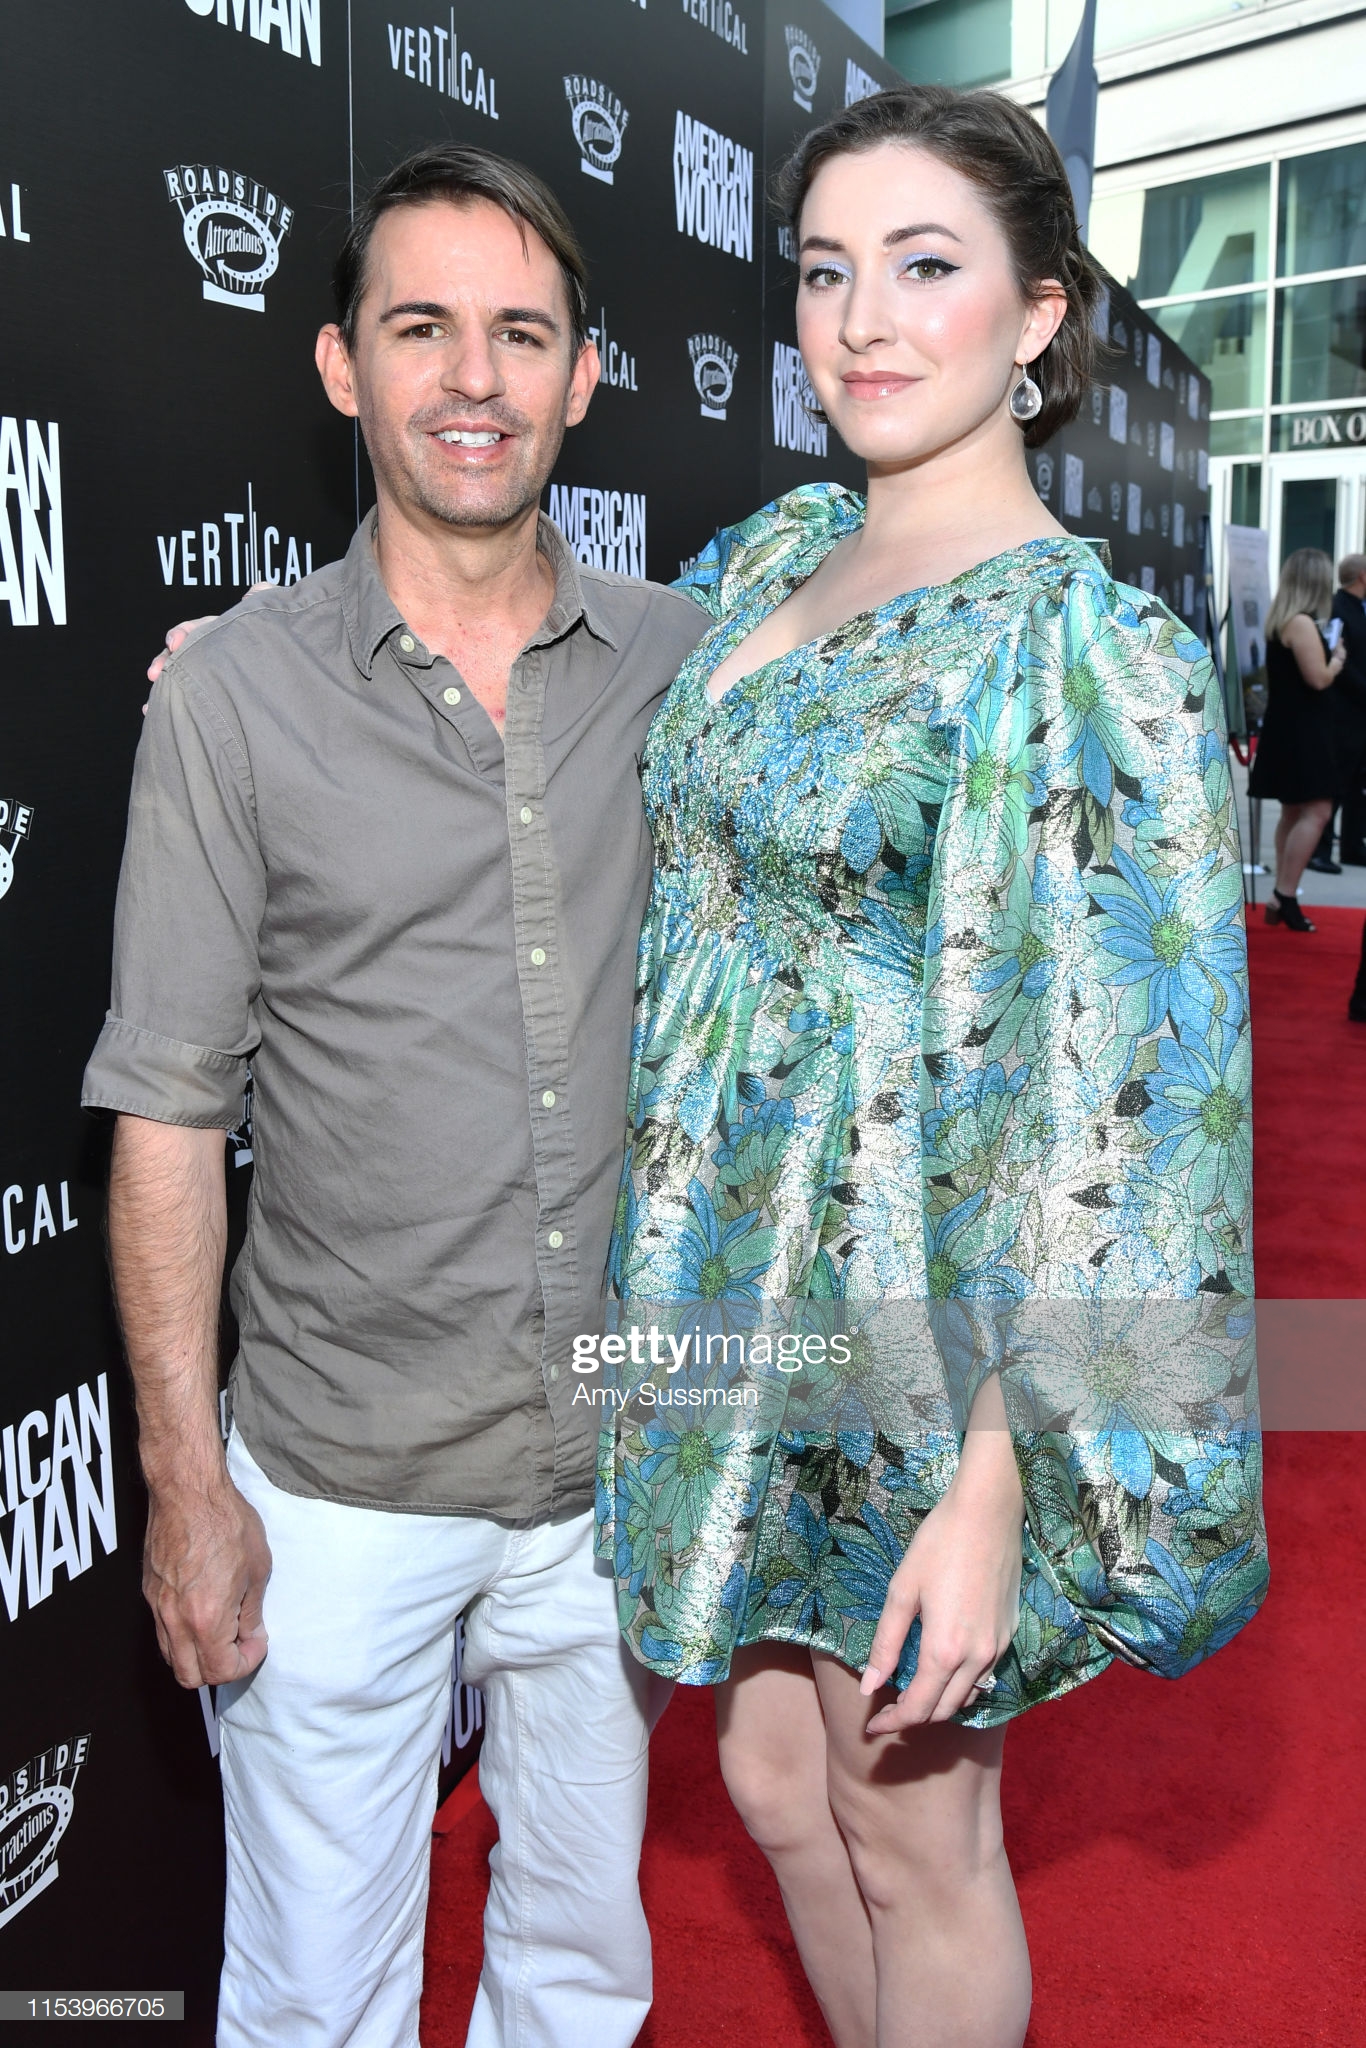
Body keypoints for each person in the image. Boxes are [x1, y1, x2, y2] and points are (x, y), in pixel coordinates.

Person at [595, 86, 1264, 2048]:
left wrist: (994, 1472)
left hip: (917, 1338)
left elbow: (1136, 1121)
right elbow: (537, 686)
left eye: (923, 269)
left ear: (1036, 314)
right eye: (824, 272)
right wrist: (269, 651)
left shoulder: (1086, 654)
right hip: (723, 1286)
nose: (862, 321)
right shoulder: (767, 550)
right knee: (771, 1783)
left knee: (916, 1837)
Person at [83, 145, 707, 2048]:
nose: (473, 379)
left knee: (581, 1965)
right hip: (336, 1478)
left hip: (613, 1468)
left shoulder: (691, 670)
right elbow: (170, 1116)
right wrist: (185, 1485)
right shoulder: (233, 699)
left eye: (522, 334)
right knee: (309, 1999)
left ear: (586, 376)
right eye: (421, 326)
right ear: (343, 365)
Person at [1248, 547, 1347, 930]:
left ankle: (1282, 892)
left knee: (1294, 810)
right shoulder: (1301, 623)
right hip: (1304, 731)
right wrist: (1338, 659)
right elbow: (1318, 678)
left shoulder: (1284, 620)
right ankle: (1285, 893)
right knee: (1318, 810)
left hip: (1291, 727)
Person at [1329, 552, 1366, 866]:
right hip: (1344, 713)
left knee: (1357, 785)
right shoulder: (1338, 609)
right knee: (1337, 784)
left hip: (1358, 714)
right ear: (1362, 577)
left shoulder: (1356, 609)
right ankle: (1321, 851)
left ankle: (1353, 846)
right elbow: (1340, 662)